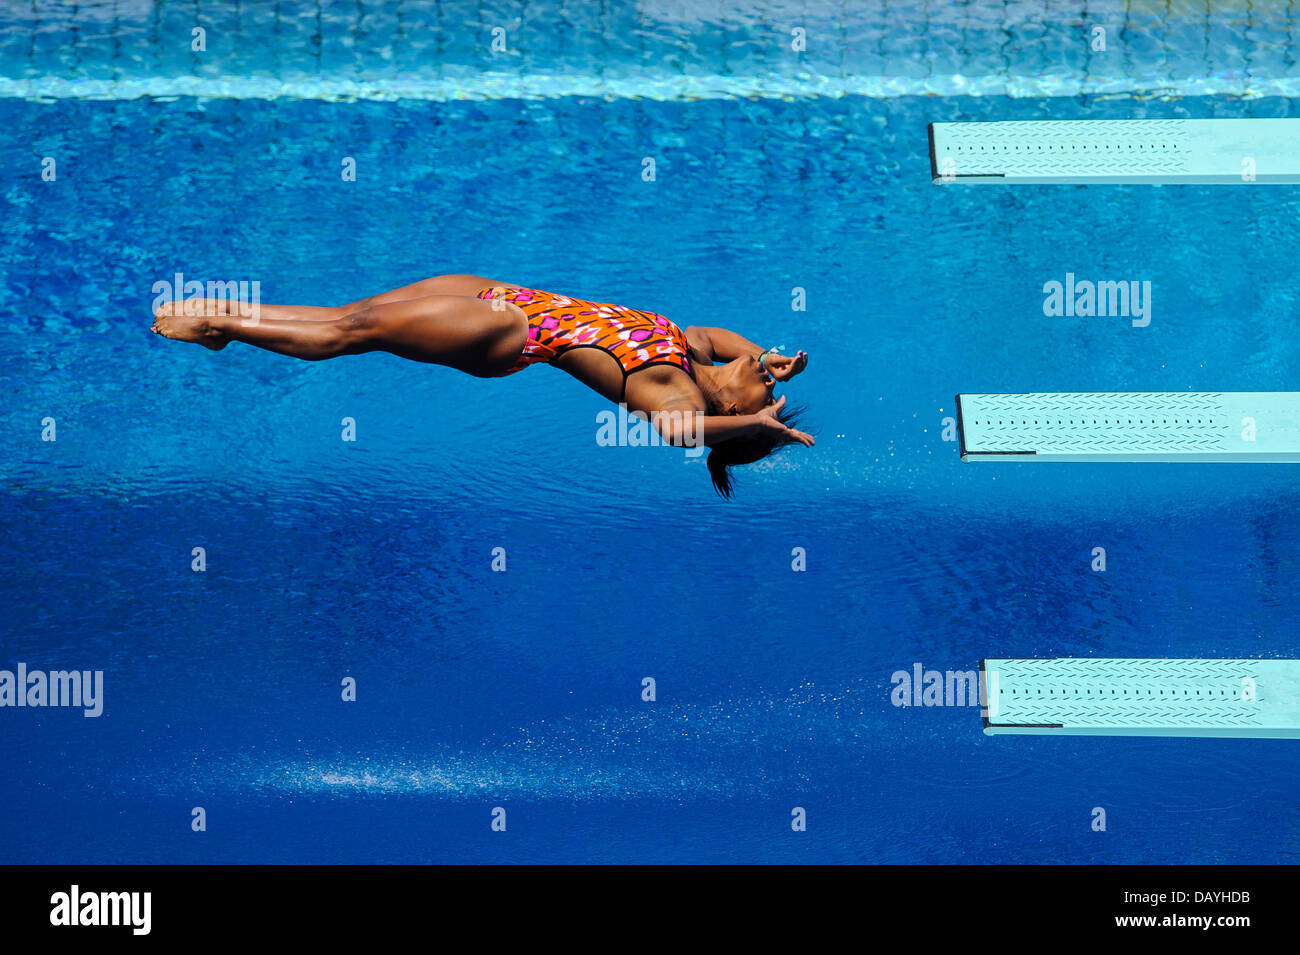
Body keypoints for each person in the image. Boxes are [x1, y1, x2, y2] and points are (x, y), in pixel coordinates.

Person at [152, 273, 812, 496]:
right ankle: (226, 321)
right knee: (353, 317)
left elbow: (679, 432)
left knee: (354, 333)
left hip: (504, 334)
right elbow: (710, 333)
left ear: (736, 412)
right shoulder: (693, 356)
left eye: (765, 395)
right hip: (504, 295)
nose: (764, 378)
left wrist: (752, 428)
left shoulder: (681, 396)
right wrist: (768, 354)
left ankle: (225, 322)